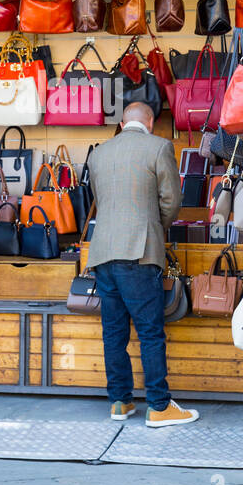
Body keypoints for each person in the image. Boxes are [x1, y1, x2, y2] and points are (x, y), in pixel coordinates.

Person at [85, 102, 196, 427]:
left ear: (122, 122)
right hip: (139, 251)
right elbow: (171, 202)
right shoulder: (160, 147)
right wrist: (154, 226)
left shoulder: (99, 153)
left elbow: (101, 199)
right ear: (150, 122)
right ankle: (159, 406)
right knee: (150, 332)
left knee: (114, 333)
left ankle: (120, 402)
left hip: (102, 251)